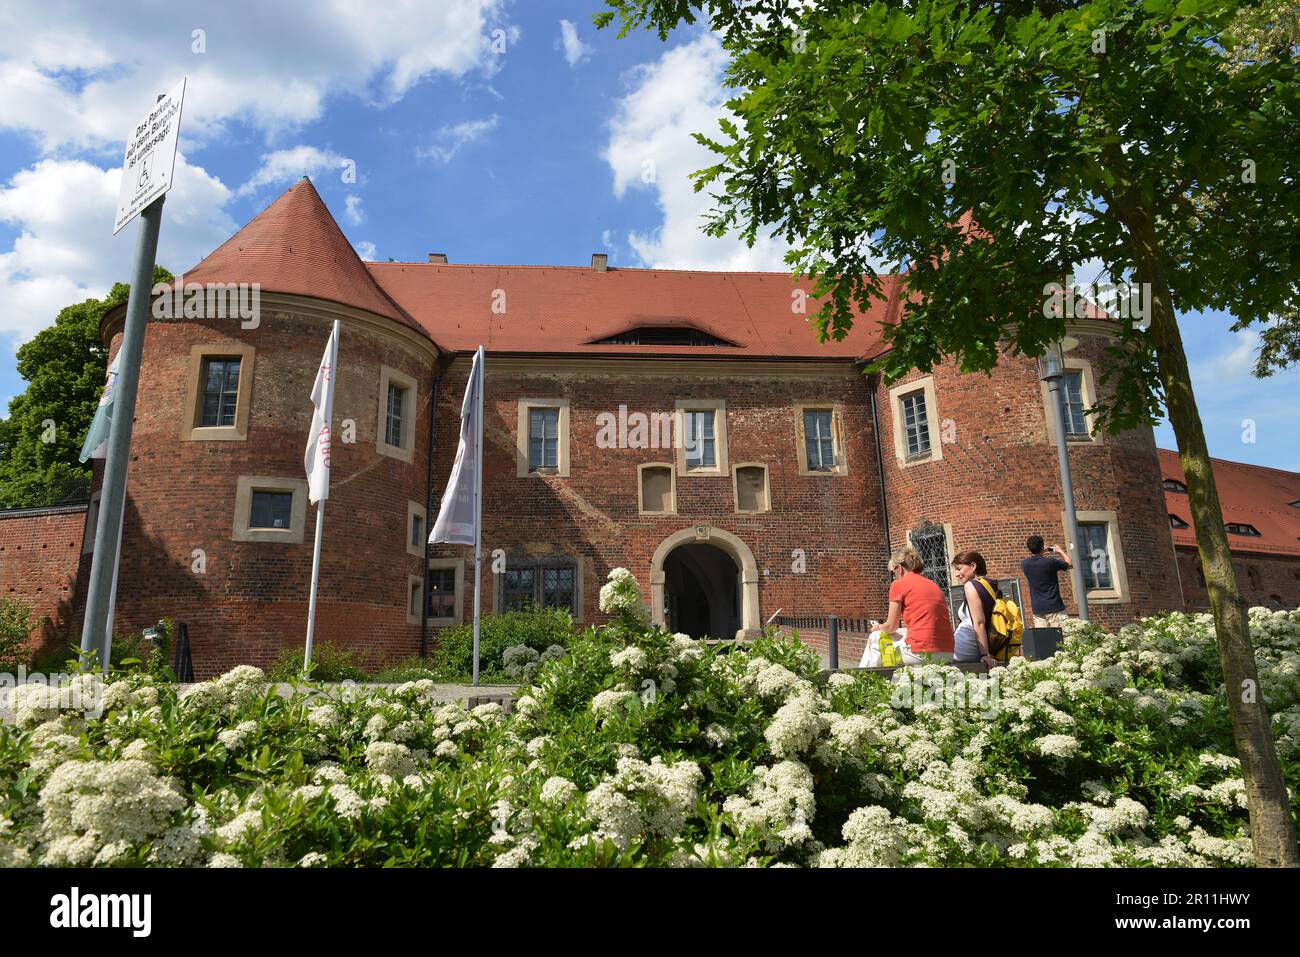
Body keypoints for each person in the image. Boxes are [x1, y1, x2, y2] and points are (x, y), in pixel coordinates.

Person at [862, 546, 954, 665]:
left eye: (893, 572)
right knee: (901, 633)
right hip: (948, 653)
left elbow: (891, 627)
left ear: (899, 568)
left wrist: (878, 627)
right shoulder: (933, 584)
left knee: (876, 637)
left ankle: (866, 678)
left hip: (920, 653)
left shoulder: (898, 584)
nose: (894, 576)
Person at [950, 550, 1000, 669]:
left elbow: (979, 622)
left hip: (965, 651)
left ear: (973, 566)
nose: (956, 574)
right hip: (972, 648)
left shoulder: (971, 585)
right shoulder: (989, 585)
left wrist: (985, 654)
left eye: (959, 569)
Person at [1020, 535, 1073, 627]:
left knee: (1043, 639)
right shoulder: (1050, 562)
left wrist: (1041, 552)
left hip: (1038, 609)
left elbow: (1036, 559)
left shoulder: (1024, 564)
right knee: (1063, 638)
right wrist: (1060, 551)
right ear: (1042, 546)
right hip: (1054, 607)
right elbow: (1070, 564)